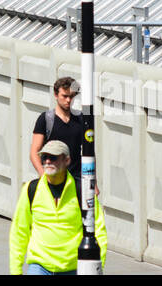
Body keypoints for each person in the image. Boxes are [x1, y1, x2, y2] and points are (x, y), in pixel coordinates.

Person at [9, 141, 107, 274]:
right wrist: (16, 271)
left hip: (72, 268)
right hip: (40, 266)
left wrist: (97, 267)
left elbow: (99, 230)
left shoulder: (82, 191)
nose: (48, 161)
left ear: (67, 160)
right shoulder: (31, 189)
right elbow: (19, 232)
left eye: (53, 157)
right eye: (44, 157)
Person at [29, 76, 83, 180]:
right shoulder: (46, 119)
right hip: (53, 178)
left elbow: (88, 152)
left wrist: (92, 182)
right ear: (56, 95)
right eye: (65, 96)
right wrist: (44, 175)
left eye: (71, 96)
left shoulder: (80, 120)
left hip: (75, 179)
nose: (68, 100)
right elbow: (34, 152)